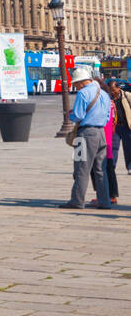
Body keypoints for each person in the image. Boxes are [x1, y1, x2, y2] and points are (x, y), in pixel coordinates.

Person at [60, 67, 111, 210]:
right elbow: (107, 117)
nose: (75, 86)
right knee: (101, 170)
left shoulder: (83, 93)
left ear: (82, 82)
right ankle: (104, 201)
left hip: (85, 134)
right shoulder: (105, 94)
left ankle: (77, 200)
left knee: (81, 168)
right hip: (101, 133)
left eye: (76, 83)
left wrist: (69, 115)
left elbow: (78, 115)